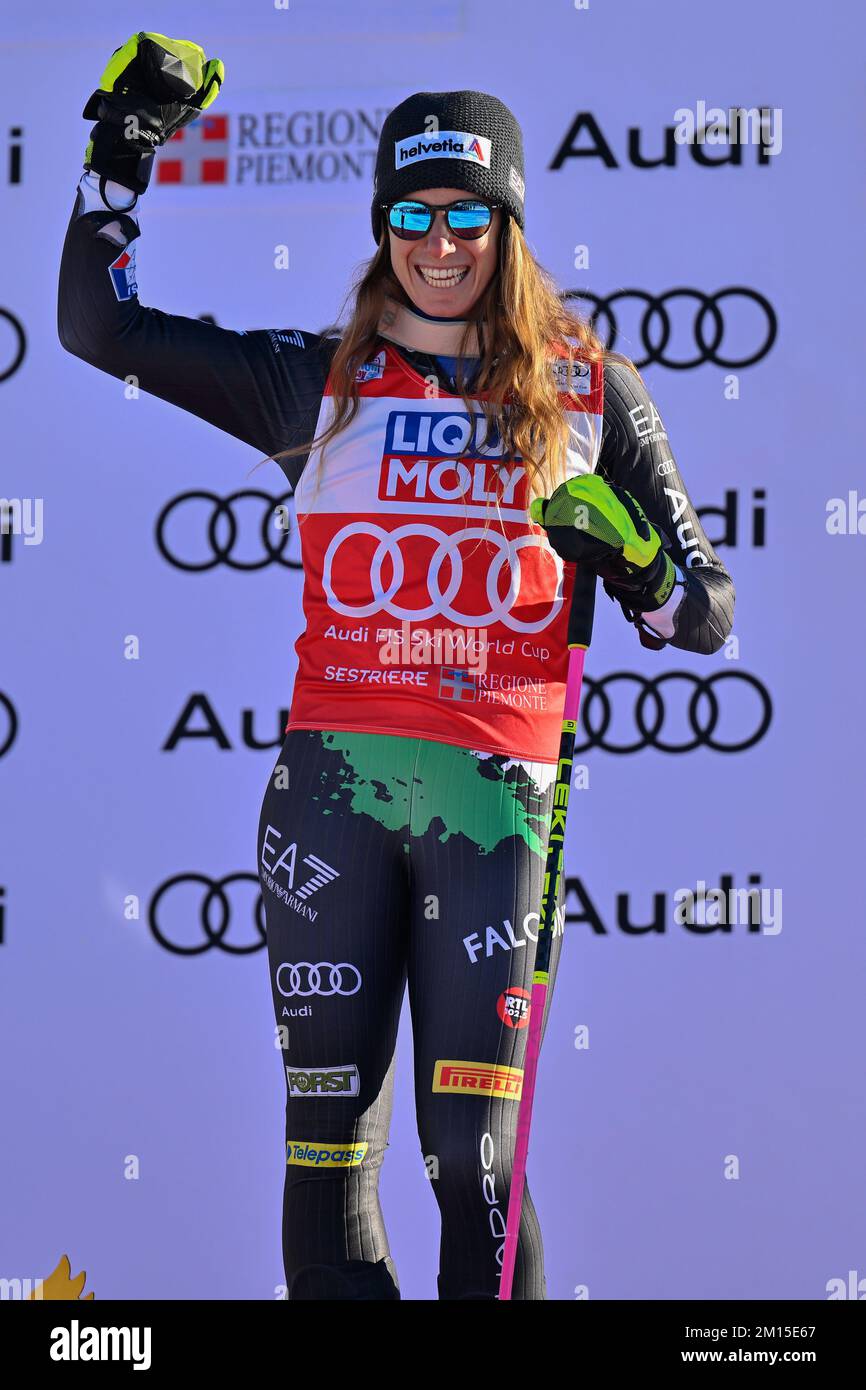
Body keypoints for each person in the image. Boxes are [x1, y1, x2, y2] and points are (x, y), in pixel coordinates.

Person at [58, 34, 735, 1301]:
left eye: (468, 215)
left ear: (508, 226)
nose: (441, 242)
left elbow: (705, 614)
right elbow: (100, 328)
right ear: (383, 230)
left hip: (494, 803)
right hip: (333, 794)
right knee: (325, 1154)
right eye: (412, 215)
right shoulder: (316, 384)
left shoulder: (593, 391)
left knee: (471, 1159)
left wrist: (639, 562)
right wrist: (116, 163)